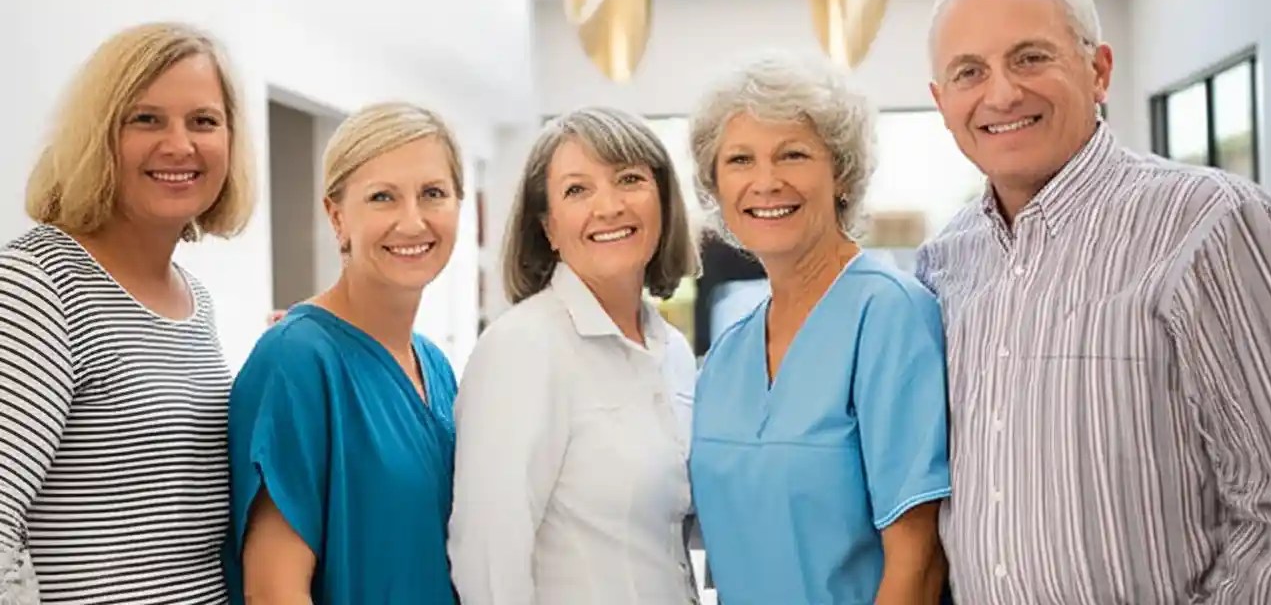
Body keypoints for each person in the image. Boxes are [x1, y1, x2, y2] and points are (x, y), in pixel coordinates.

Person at [917, 0, 1271, 604]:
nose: (1000, 94)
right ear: (942, 101)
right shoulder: (944, 264)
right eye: (969, 72)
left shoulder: (1214, 223)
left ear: (1099, 70)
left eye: (1030, 58)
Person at [0, 22, 255, 604]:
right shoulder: (38, 284)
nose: (180, 145)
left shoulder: (196, 301)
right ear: (99, 135)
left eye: (204, 121)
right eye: (146, 119)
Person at [686, 52, 951, 605]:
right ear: (716, 185)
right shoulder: (728, 355)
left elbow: (918, 563)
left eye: (794, 154)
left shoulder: (889, 315)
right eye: (740, 160)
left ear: (842, 176)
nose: (766, 181)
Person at [448, 106, 702, 604]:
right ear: (548, 228)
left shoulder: (672, 351)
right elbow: (488, 557)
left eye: (629, 179)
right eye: (577, 190)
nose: (608, 207)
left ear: (664, 202)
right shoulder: (522, 347)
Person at [226, 103, 463, 604]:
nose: (412, 220)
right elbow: (273, 592)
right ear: (336, 216)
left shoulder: (436, 367)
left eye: (433, 194)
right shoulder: (297, 360)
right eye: (382, 197)